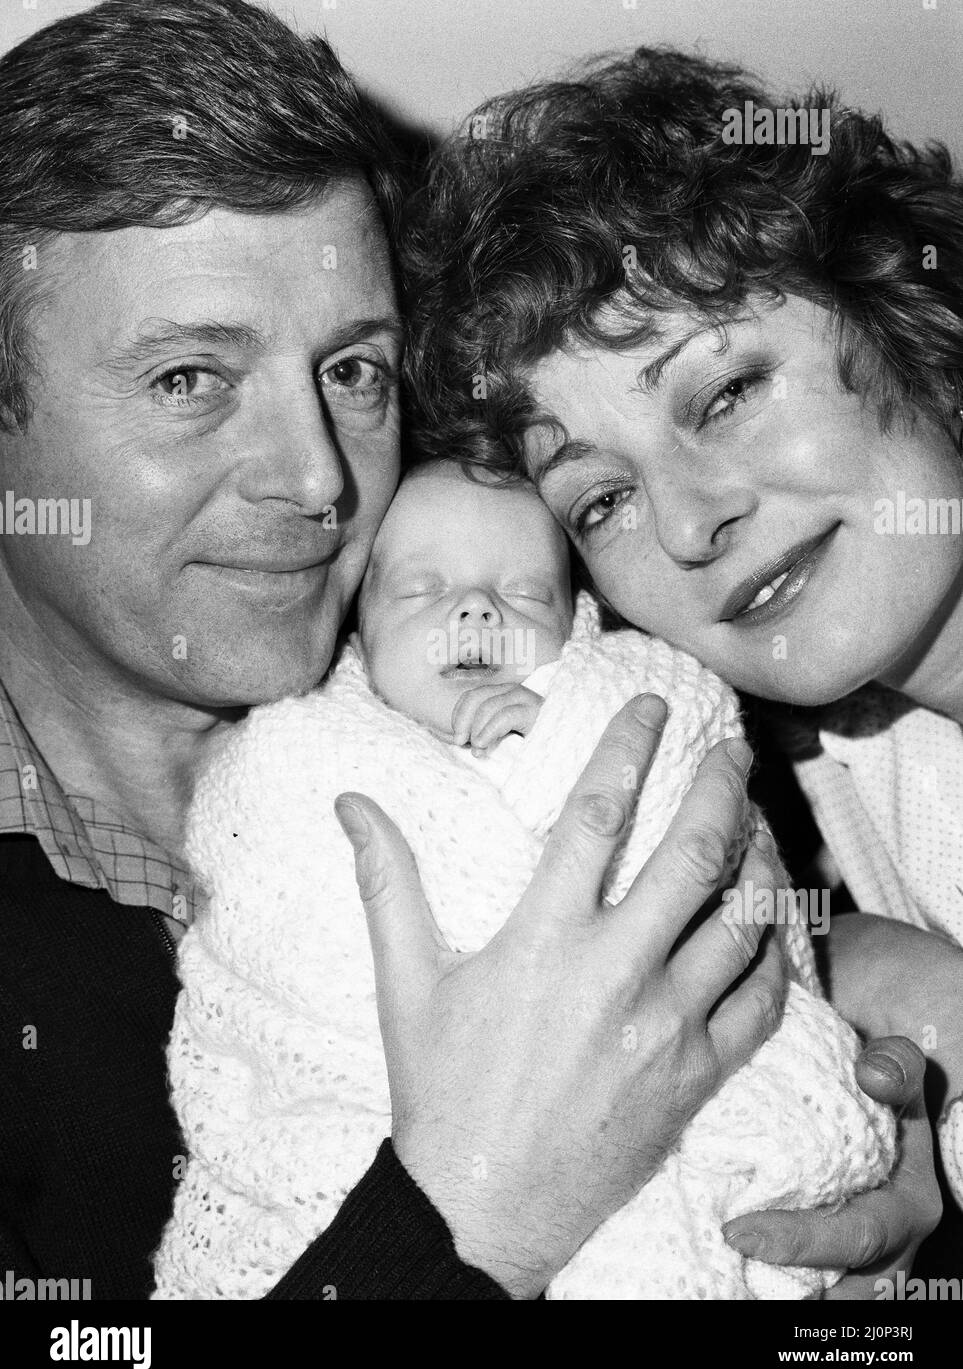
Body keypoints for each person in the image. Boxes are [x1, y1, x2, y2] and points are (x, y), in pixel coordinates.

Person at [0, 0, 936, 1301]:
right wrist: (463, 1214)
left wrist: (845, 1000)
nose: (315, 477)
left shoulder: (565, 672)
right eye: (187, 380)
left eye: (352, 373)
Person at [402, 45, 963, 1262]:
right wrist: (887, 973)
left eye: (724, 394)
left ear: (907, 316)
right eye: (599, 501)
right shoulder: (841, 767)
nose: (689, 523)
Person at [152, 459, 898, 1301]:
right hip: (374, 1150)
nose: (475, 612)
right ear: (357, 638)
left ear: (579, 623)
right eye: (420, 591)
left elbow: (716, 870)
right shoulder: (300, 758)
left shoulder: (632, 703)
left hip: (681, 1099)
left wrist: (555, 747)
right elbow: (273, 935)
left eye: (524, 595)